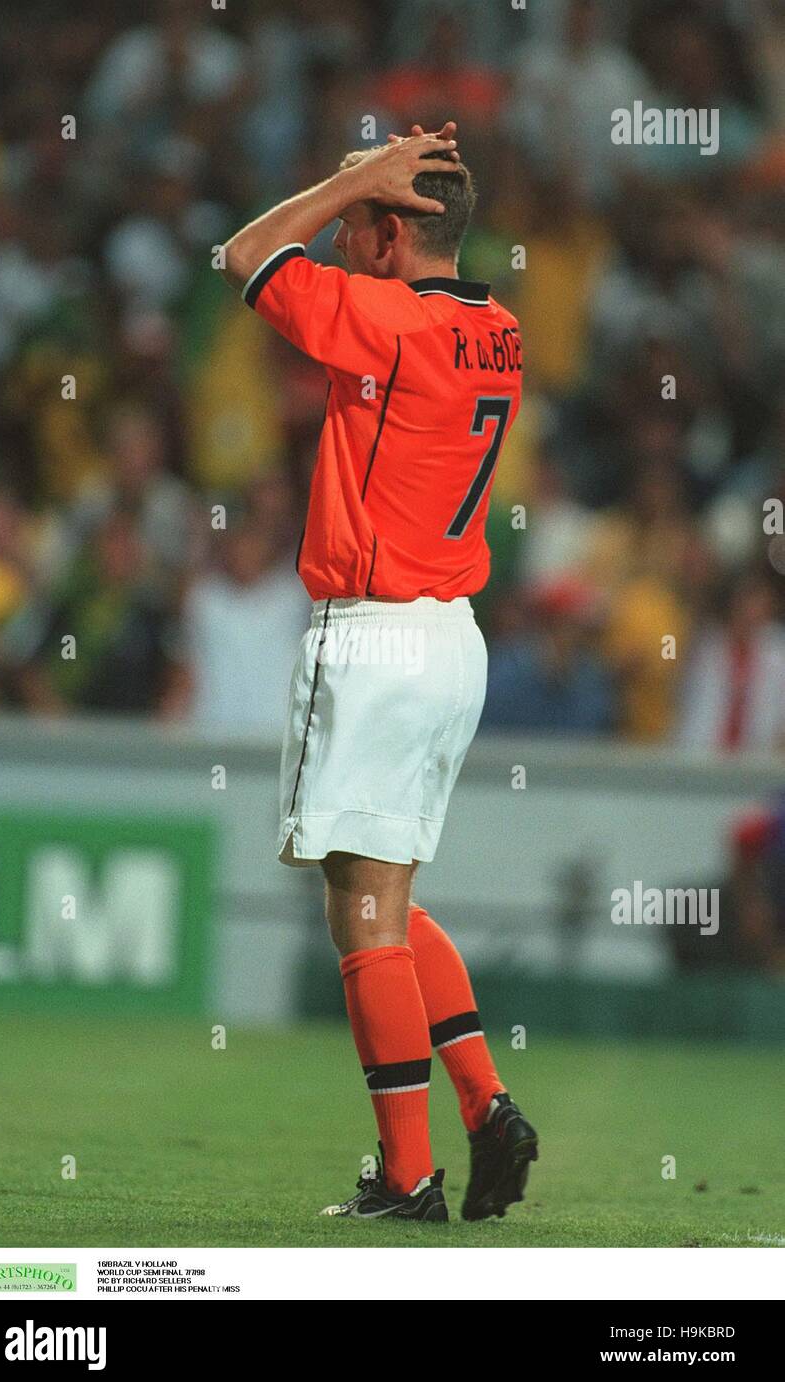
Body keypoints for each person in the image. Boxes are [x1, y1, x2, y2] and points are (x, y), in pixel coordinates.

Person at [219, 125, 537, 1222]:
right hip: (451, 634)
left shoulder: (385, 320)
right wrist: (378, 189)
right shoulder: (495, 330)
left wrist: (352, 175)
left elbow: (246, 255)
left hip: (372, 634)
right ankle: (486, 1104)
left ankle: (405, 1176)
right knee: (390, 897)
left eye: (361, 223)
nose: (346, 239)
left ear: (393, 229)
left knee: (359, 911)